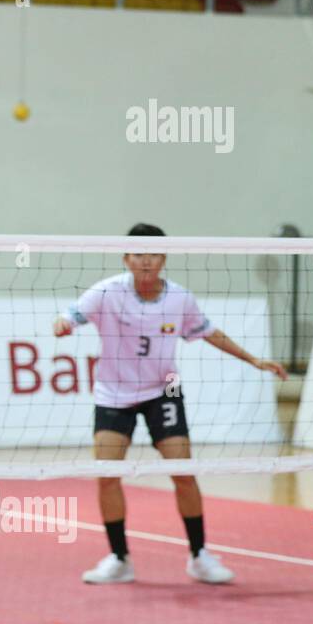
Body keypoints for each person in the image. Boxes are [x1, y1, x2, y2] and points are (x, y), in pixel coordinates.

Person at [54, 224, 288, 584]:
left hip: (165, 389)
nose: (146, 261)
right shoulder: (106, 292)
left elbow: (211, 333)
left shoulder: (180, 298)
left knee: (183, 470)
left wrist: (254, 360)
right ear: (126, 258)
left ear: (163, 258)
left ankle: (199, 555)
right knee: (107, 475)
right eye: (139, 254)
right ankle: (119, 559)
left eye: (153, 254)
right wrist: (63, 325)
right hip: (113, 393)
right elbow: (70, 315)